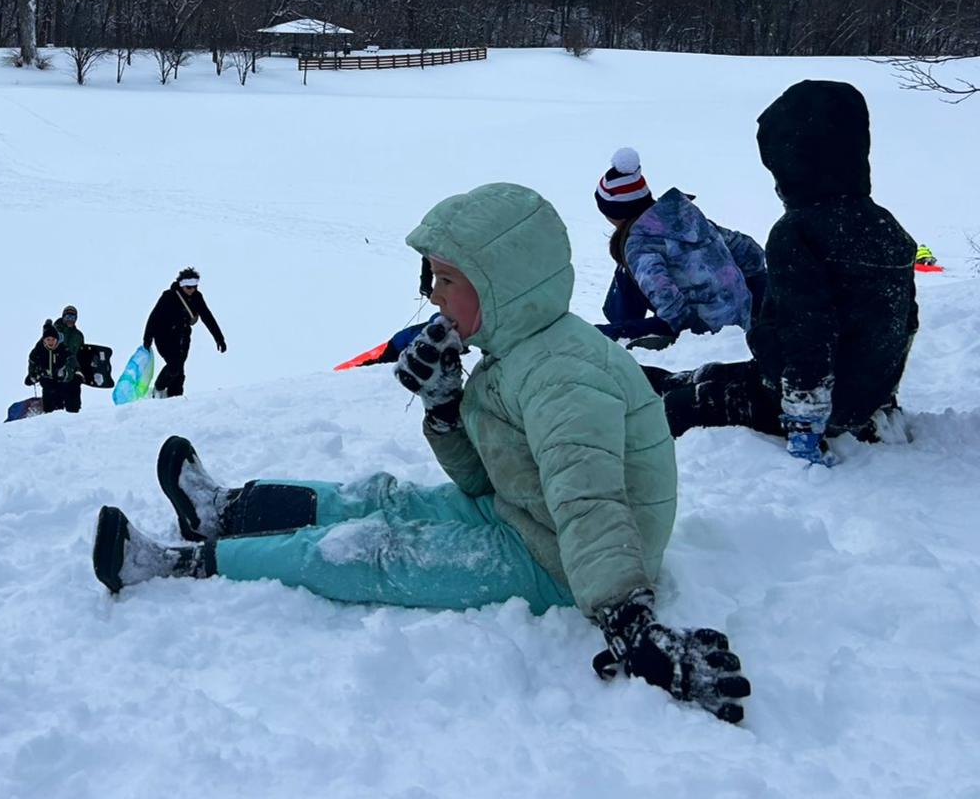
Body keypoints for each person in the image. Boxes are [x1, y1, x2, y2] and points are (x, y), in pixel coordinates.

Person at [91, 183, 750, 723]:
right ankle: (226, 509)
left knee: (368, 550)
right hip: (524, 513)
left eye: (445, 279)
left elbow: (589, 497)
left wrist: (628, 620)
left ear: (502, 283)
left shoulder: (562, 374)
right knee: (384, 498)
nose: (432, 294)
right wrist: (444, 404)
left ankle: (180, 564)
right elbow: (484, 476)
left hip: (563, 562)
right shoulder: (514, 349)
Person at [657, 81, 917, 464]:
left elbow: (808, 334)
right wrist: (879, 395)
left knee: (672, 407)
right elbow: (899, 323)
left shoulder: (798, 232)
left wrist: (804, 424)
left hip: (808, 403)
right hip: (861, 397)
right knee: (705, 374)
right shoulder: (886, 227)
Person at [592, 147, 768, 349]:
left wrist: (692, 334)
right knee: (626, 273)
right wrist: (742, 297)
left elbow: (668, 301)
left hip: (708, 331)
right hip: (741, 316)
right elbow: (750, 251)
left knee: (597, 335)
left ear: (615, 213)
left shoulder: (640, 244)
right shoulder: (690, 218)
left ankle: (626, 338)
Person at [141, 267, 226, 398]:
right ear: (182, 285)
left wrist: (219, 338)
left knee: (180, 370)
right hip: (164, 336)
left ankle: (175, 398)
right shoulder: (168, 296)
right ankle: (158, 389)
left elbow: (207, 317)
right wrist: (147, 339)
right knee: (174, 365)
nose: (192, 290)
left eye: (194, 286)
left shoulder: (197, 297)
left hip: (183, 336)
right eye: (189, 287)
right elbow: (154, 317)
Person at [28, 321, 83, 414]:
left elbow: (72, 363)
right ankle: (49, 417)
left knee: (69, 391)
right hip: (47, 381)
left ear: (57, 340)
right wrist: (33, 375)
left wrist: (66, 374)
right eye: (48, 340)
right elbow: (32, 362)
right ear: (44, 340)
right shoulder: (38, 350)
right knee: (49, 403)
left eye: (53, 340)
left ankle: (72, 415)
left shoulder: (63, 349)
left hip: (61, 381)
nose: (50, 342)